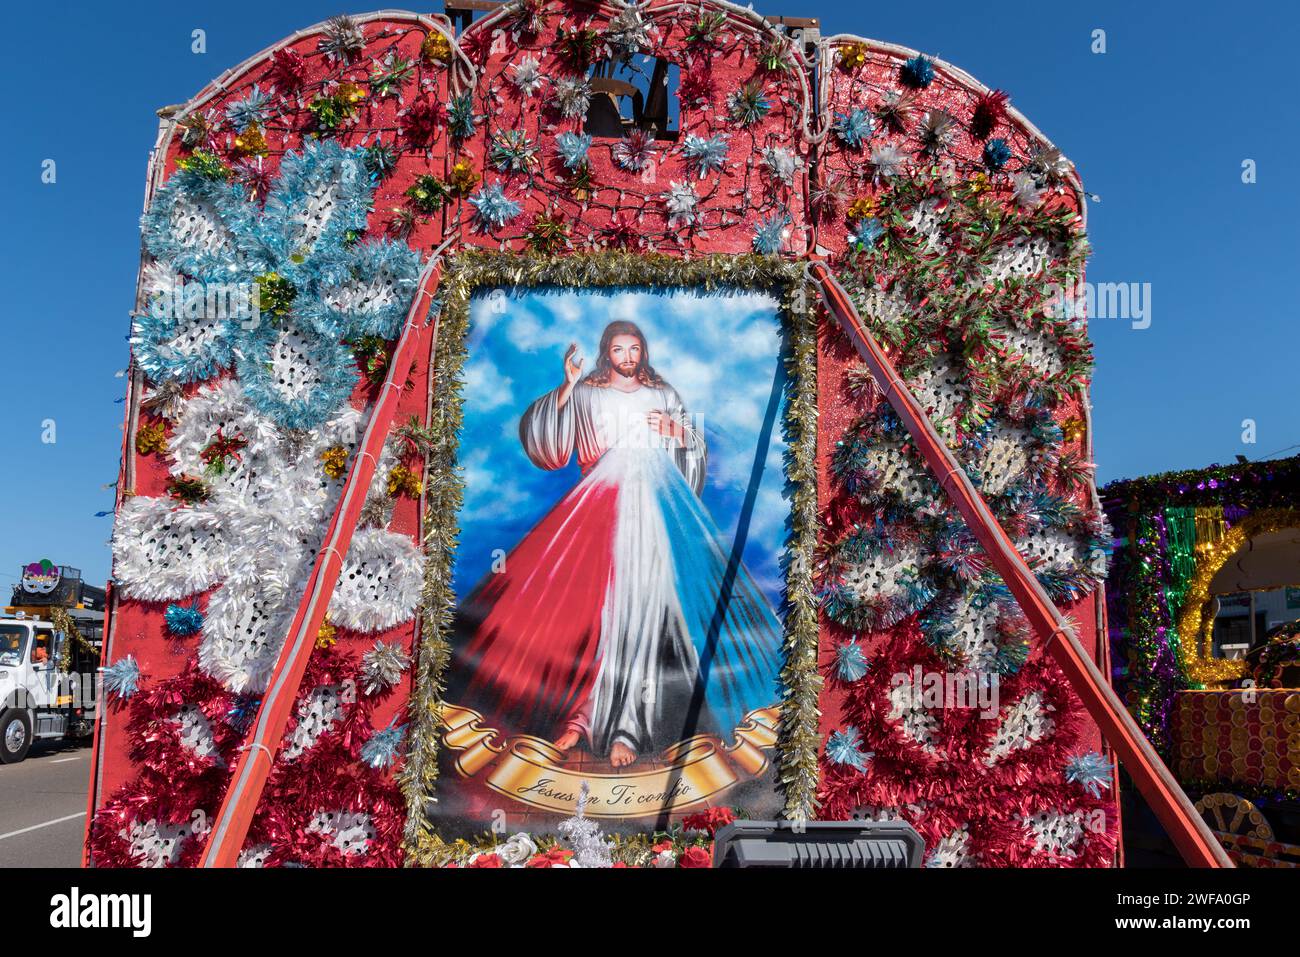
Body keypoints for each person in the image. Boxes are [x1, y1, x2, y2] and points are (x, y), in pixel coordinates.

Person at [453, 320, 781, 768]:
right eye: (618, 349)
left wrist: (677, 432)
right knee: (599, 615)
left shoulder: (663, 394)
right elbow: (552, 449)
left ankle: (627, 726)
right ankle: (582, 718)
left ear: (643, 351)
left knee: (642, 617)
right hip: (601, 508)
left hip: (655, 512)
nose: (627, 357)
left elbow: (692, 449)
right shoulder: (586, 393)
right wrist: (566, 387)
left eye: (634, 349)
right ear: (606, 352)